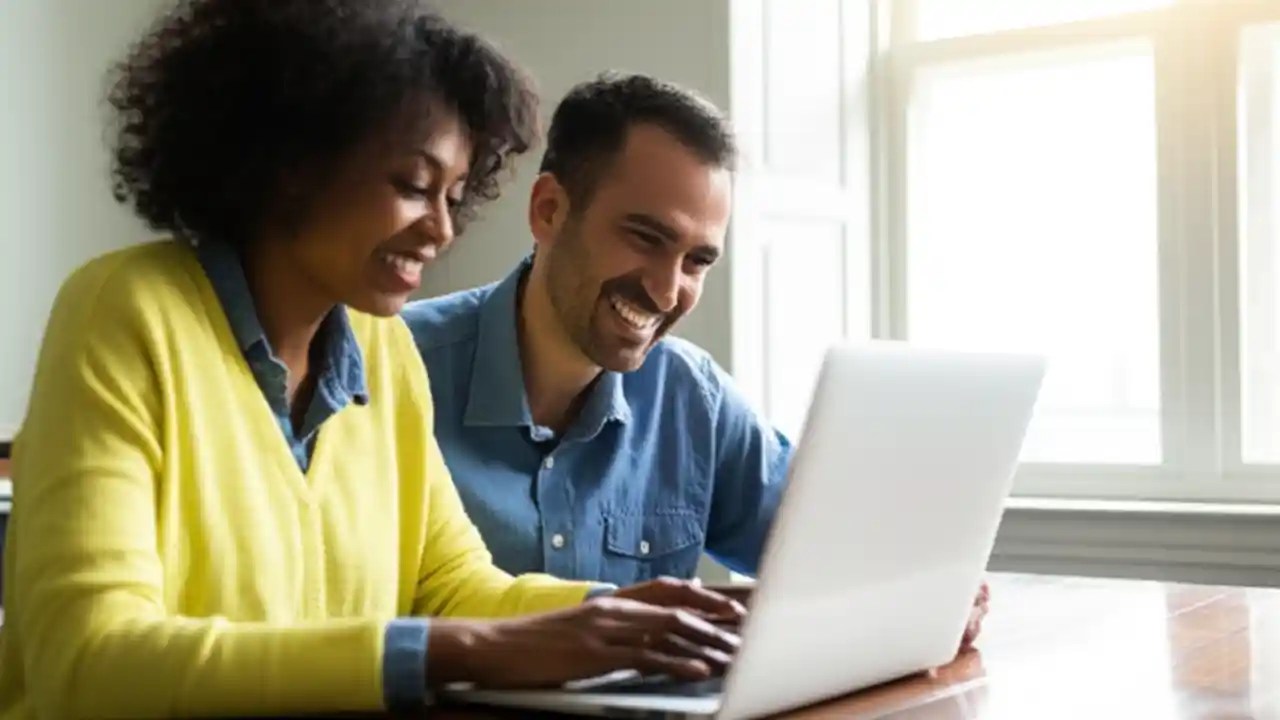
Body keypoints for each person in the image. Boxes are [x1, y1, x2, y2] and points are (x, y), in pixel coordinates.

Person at [0, 5, 746, 719]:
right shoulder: (124, 312)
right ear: (294, 162)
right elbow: (90, 661)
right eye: (415, 187)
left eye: (455, 196)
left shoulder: (380, 346)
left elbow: (451, 585)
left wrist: (627, 617)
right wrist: (463, 652)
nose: (442, 230)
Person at [401, 73, 989, 647]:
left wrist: (931, 586)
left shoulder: (692, 397)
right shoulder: (393, 371)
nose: (666, 291)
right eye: (646, 238)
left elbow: (831, 552)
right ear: (550, 210)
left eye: (698, 262)